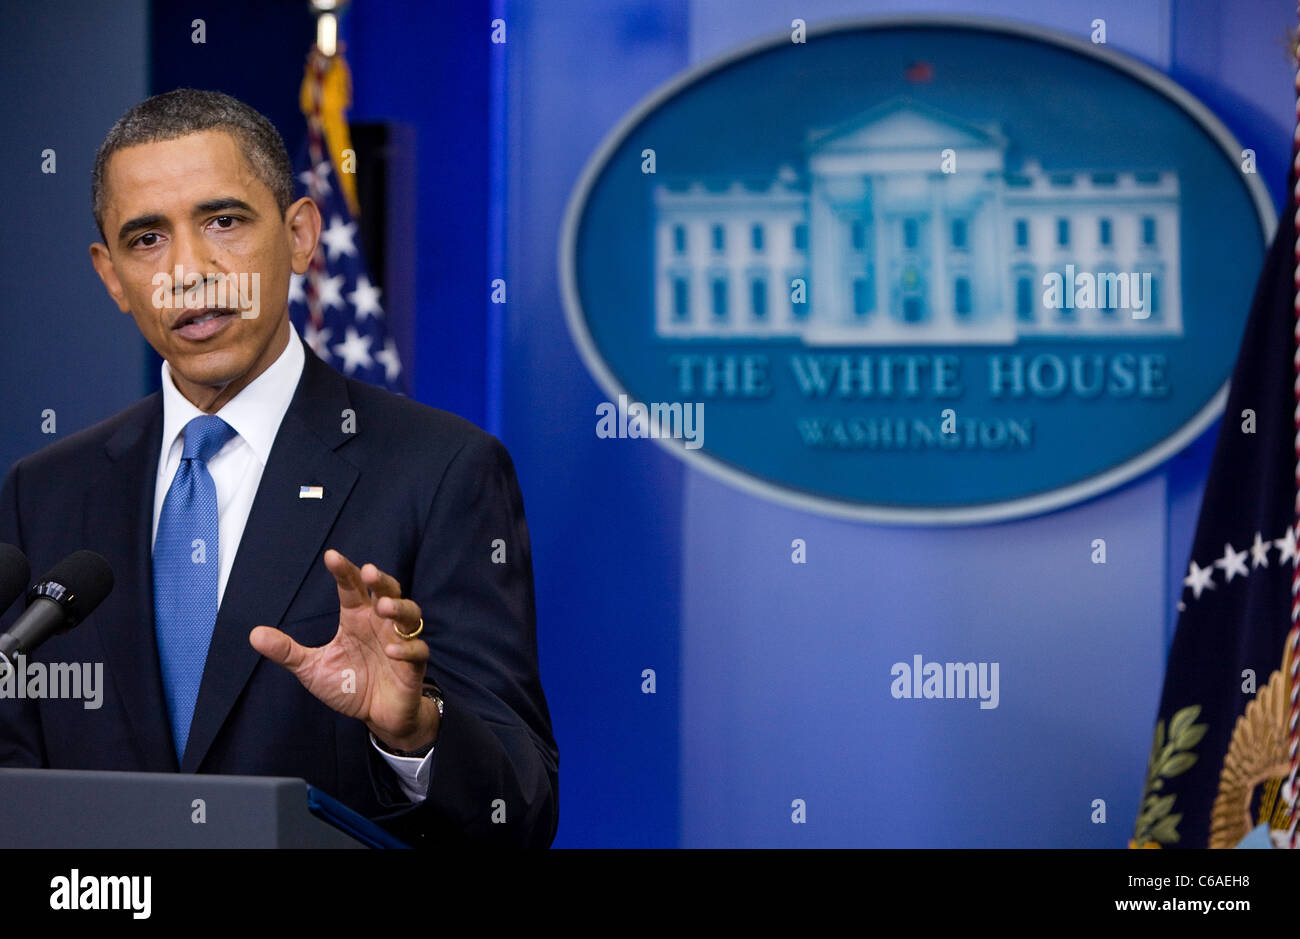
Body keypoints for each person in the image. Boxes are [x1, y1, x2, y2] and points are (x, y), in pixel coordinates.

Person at [0, 88, 558, 847]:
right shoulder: (46, 491)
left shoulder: (440, 470)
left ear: (299, 236)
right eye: (146, 239)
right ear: (110, 275)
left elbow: (520, 809)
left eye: (223, 222)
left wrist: (413, 733)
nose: (190, 270)